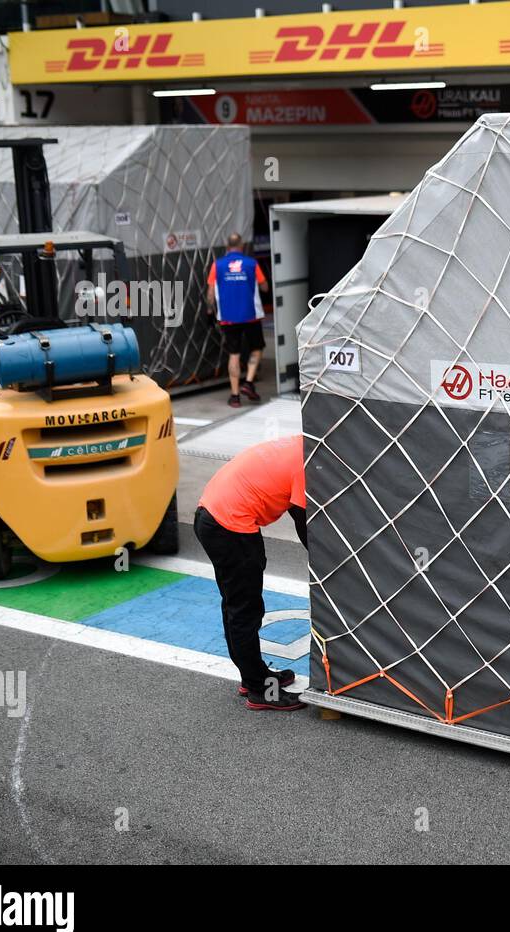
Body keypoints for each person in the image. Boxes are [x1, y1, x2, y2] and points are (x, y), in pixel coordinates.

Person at [195, 434, 308, 710]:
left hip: (211, 516)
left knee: (235, 605)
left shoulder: (298, 444)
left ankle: (253, 675)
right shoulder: (307, 461)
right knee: (245, 608)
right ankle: (259, 690)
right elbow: (304, 519)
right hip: (230, 526)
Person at [206, 233, 268, 408]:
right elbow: (264, 287)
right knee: (256, 349)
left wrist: (209, 311)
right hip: (251, 315)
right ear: (241, 247)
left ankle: (235, 396)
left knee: (234, 355)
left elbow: (210, 292)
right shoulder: (252, 264)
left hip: (228, 317)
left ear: (227, 247)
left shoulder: (217, 266)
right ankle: (248, 382)